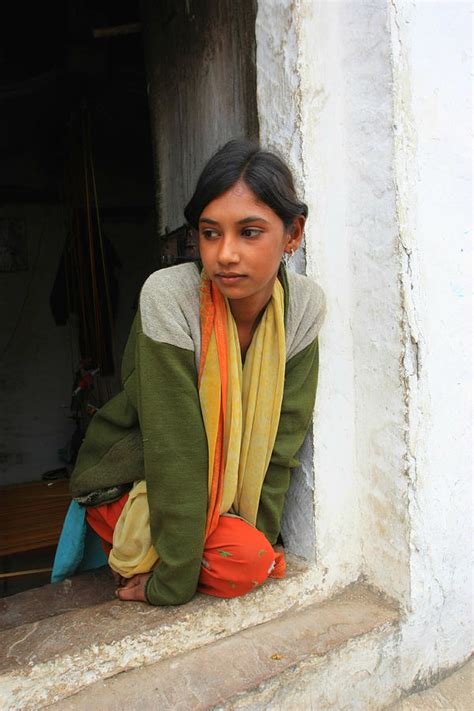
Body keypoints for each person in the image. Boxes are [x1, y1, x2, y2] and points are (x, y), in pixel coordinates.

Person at [54, 139, 326, 606]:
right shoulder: (170, 299)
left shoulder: (302, 309)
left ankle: (191, 549)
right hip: (135, 475)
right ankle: (148, 547)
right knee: (243, 561)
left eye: (250, 232)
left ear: (293, 233)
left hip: (203, 495)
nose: (225, 254)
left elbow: (282, 443)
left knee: (250, 555)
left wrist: (255, 532)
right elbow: (174, 451)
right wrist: (171, 586)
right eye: (210, 233)